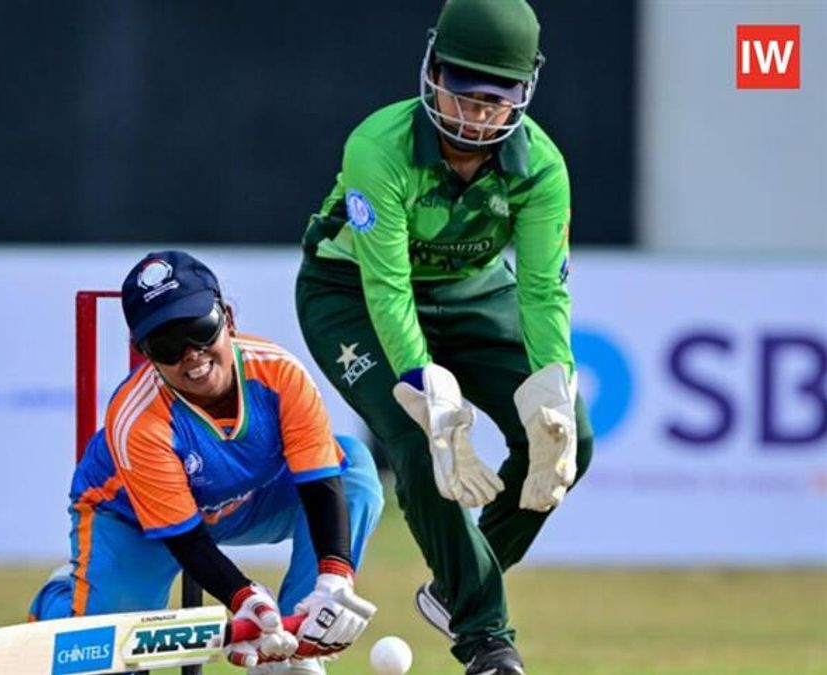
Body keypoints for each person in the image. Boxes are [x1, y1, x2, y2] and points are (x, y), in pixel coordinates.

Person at [294, 1, 594, 673]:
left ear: (524, 91)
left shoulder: (540, 167)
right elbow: (387, 285)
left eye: (497, 97)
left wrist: (552, 378)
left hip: (471, 291)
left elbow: (542, 290)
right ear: (431, 70)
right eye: (462, 87)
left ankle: (454, 587)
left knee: (567, 431)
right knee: (419, 439)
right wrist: (418, 380)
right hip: (349, 293)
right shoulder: (379, 146)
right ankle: (487, 641)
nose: (475, 113)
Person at [29, 250, 384, 674]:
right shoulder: (138, 420)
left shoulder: (280, 374)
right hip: (133, 521)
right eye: (166, 346)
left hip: (245, 500)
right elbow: (186, 539)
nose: (191, 355)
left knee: (354, 470)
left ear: (226, 319)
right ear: (145, 352)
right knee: (105, 657)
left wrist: (335, 577)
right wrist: (246, 599)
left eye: (201, 329)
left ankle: (290, 650)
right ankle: (64, 598)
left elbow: (320, 484)